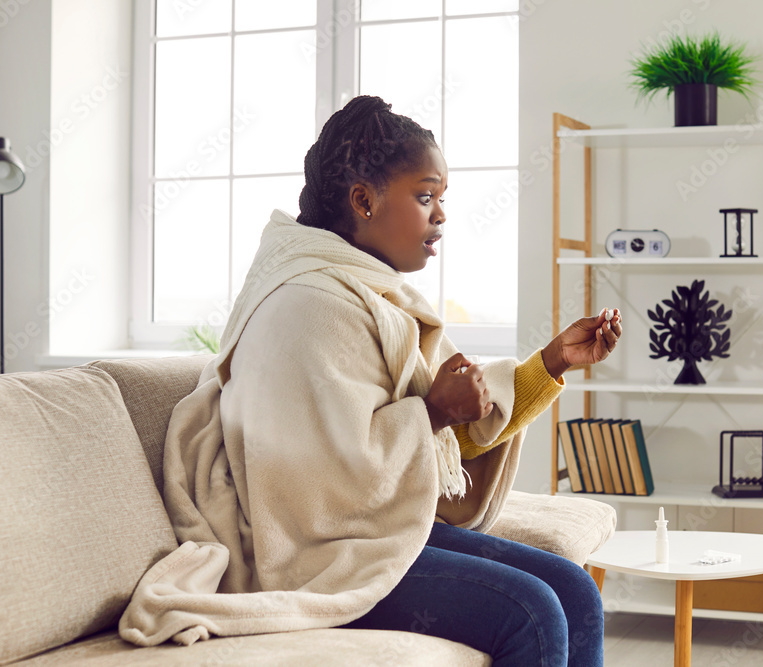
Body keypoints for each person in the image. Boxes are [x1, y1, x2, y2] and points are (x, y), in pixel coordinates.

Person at [118, 95, 623, 666]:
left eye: (442, 199)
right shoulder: (308, 304)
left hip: (375, 529)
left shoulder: (368, 294)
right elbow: (321, 486)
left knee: (575, 591)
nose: (441, 215)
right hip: (320, 552)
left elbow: (445, 432)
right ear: (364, 200)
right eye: (426, 195)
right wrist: (431, 413)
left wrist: (551, 363)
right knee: (532, 611)